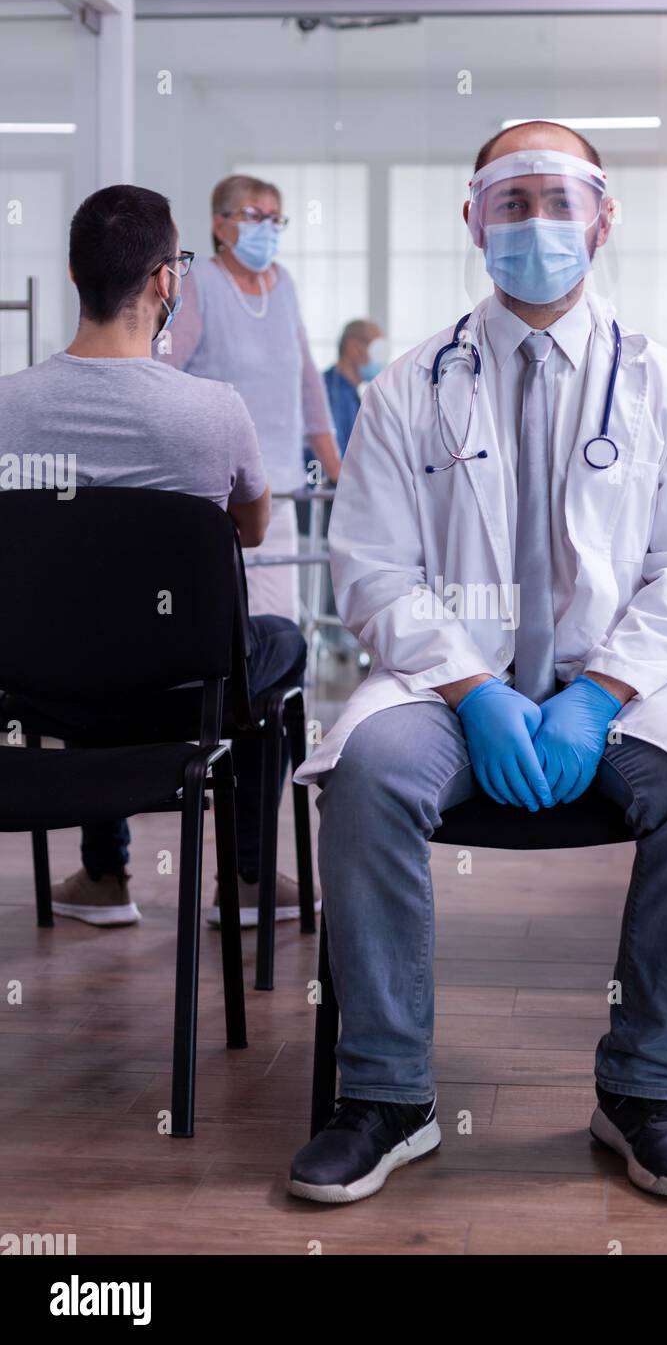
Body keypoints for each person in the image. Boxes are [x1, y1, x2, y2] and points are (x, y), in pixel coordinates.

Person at [287, 121, 667, 1205]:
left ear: (603, 218)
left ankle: (644, 1090)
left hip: (621, 690)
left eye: (560, 199)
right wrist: (473, 688)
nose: (538, 224)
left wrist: (597, 694)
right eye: (513, 202)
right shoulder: (413, 386)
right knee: (368, 772)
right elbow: (368, 562)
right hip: (450, 691)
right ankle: (388, 1095)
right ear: (473, 220)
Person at [0, 184, 308, 929]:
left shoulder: (6, 407)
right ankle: (241, 878)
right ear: (166, 278)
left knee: (81, 635)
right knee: (282, 647)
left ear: (75, 275)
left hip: (43, 695)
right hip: (186, 696)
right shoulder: (212, 411)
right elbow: (252, 529)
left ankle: (105, 875)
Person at [159, 173, 340, 623]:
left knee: (278, 622)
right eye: (255, 216)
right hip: (211, 489)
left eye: (277, 219)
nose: (269, 228)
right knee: (217, 620)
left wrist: (338, 470)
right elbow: (161, 373)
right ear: (221, 226)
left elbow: (308, 383)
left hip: (275, 486)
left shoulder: (284, 285)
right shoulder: (199, 282)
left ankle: (271, 697)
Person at [323, 319, 387, 457]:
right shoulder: (331, 393)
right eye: (377, 351)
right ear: (353, 347)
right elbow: (338, 456)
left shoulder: (349, 392)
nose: (382, 361)